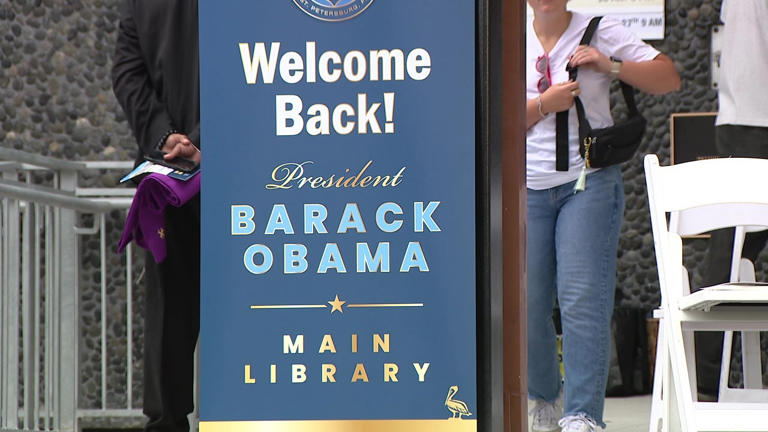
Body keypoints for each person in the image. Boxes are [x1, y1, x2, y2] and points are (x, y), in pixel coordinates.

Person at [524, 1, 680, 431]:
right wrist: (544, 105)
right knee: (529, 305)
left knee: (582, 301)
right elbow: (486, 120)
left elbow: (667, 77)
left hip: (588, 184)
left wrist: (611, 66)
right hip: (526, 190)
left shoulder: (599, 28)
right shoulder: (508, 40)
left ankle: (582, 414)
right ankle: (544, 398)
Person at [111, 1, 202, 432]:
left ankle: (167, 422)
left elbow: (128, 76)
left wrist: (166, 138)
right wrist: (199, 142)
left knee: (169, 309)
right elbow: (266, 69)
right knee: (254, 302)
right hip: (250, 174)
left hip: (168, 176)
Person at [695, 0, 768, 401]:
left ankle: (704, 385)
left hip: (746, 116)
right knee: (730, 252)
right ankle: (704, 386)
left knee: (732, 251)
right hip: (753, 120)